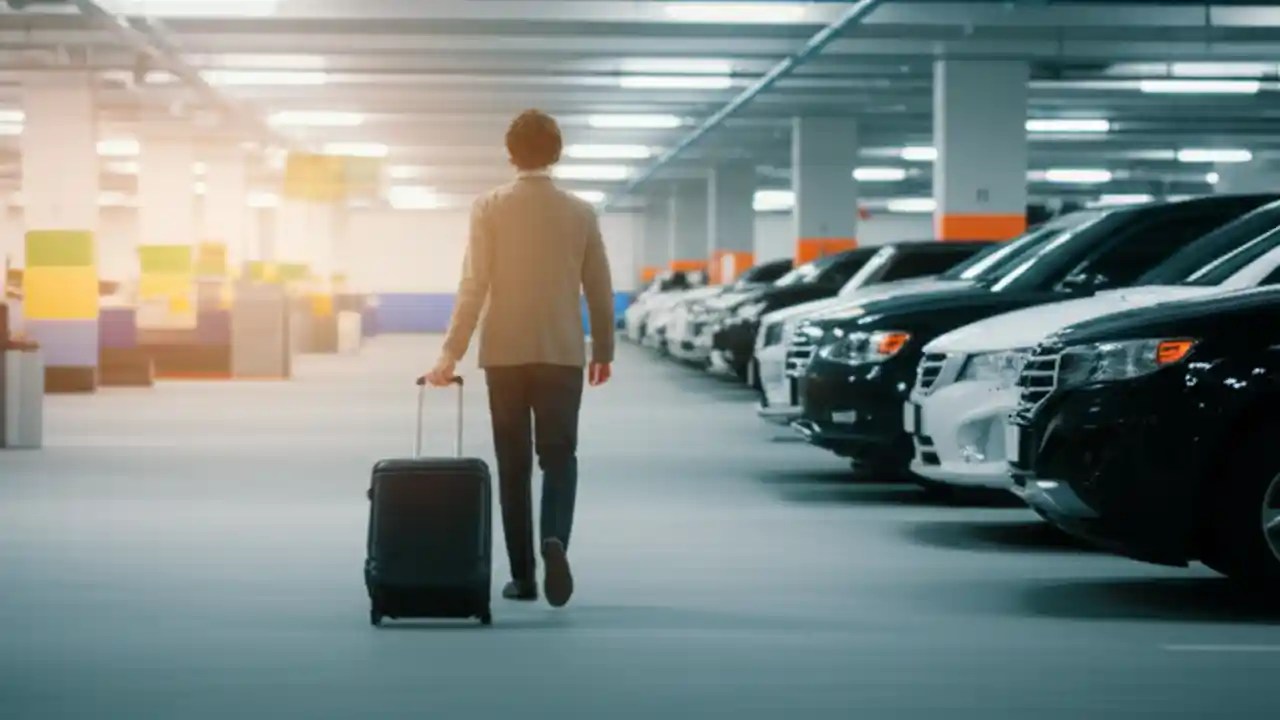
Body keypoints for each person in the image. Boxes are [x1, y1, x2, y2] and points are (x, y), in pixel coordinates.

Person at [425, 109, 615, 609]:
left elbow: (474, 285)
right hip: (561, 353)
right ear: (556, 154)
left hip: (504, 353)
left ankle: (524, 577)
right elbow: (599, 289)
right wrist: (604, 351)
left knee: (512, 466)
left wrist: (450, 353)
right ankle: (554, 538)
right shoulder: (580, 212)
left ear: (511, 155)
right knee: (558, 456)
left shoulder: (488, 207)